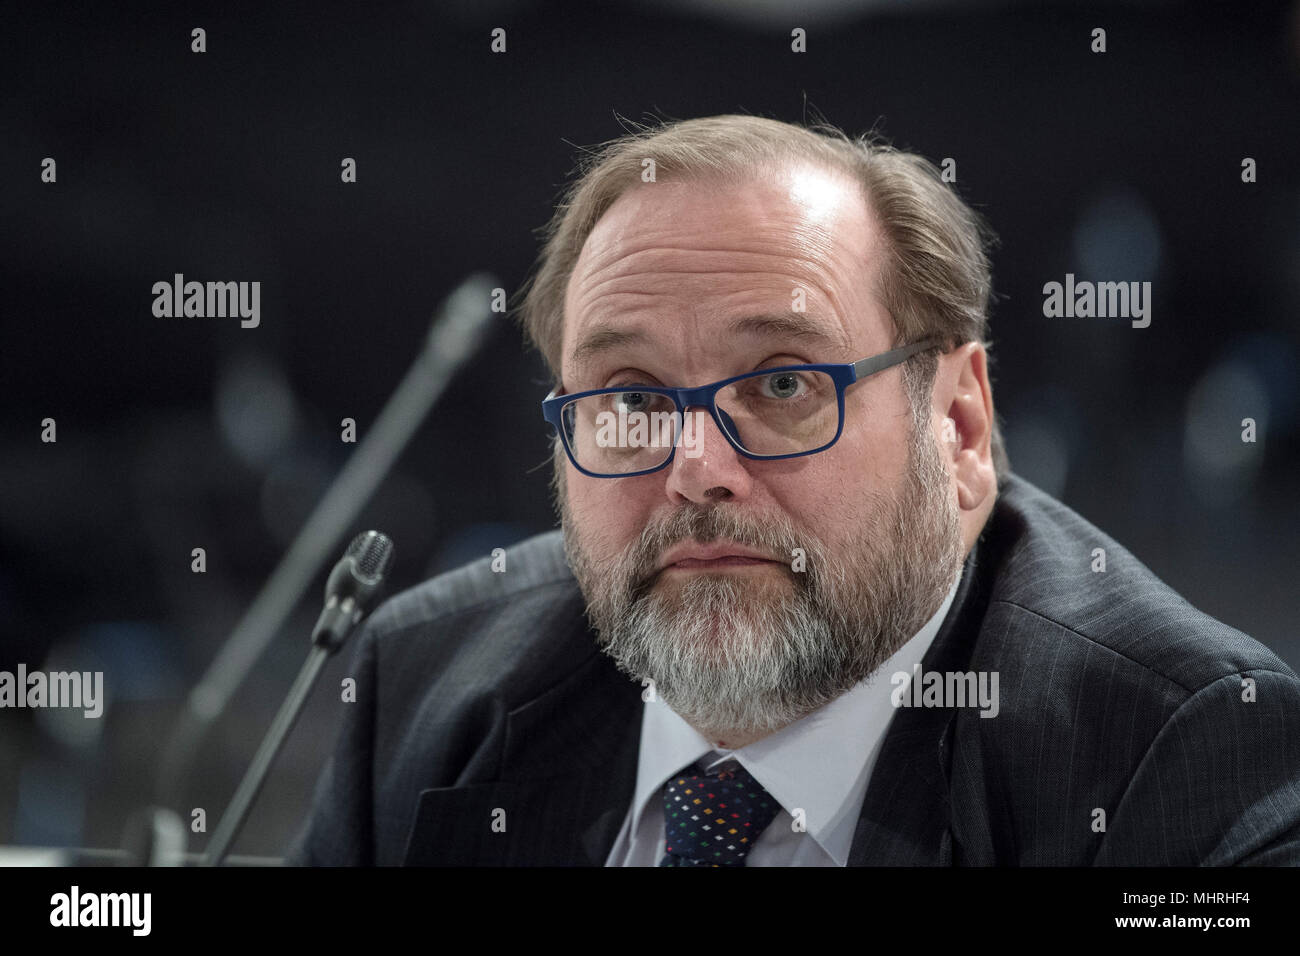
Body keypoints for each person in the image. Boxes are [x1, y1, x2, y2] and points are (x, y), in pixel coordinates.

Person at [287, 115, 1300, 866]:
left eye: (781, 382)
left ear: (956, 426)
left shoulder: (1178, 749)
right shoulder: (422, 684)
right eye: (630, 395)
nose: (694, 467)